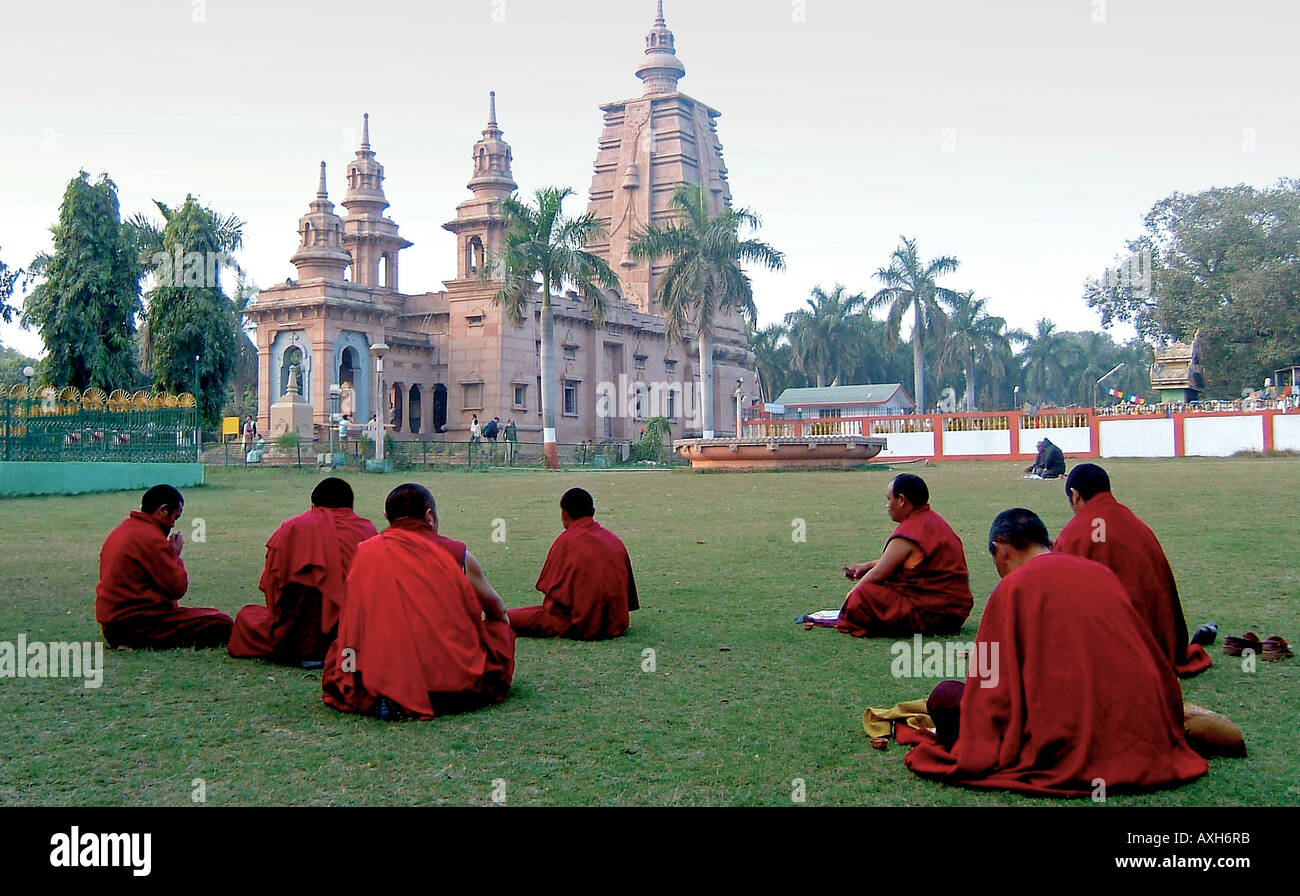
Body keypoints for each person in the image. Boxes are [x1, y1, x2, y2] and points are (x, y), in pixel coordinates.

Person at [904, 509, 1208, 797]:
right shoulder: (1100, 574)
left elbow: (990, 690)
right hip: (1145, 733)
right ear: (1048, 543)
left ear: (1001, 549)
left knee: (945, 696)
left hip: (1066, 738)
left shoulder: (1012, 589)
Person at [322, 484, 514, 719]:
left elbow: (353, 624)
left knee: (340, 652)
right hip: (450, 677)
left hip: (381, 673)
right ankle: (435, 690)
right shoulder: (457, 554)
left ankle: (388, 692)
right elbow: (498, 611)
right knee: (498, 633)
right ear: (430, 517)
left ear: (387, 518)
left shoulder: (366, 552)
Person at [1053, 463, 1211, 677]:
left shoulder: (1074, 534)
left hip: (1116, 646)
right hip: (1159, 642)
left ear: (1074, 495)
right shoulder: (1134, 523)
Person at [227, 478, 378, 665]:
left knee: (247, 616)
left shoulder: (292, 528)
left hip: (295, 638)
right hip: (351, 637)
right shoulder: (366, 531)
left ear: (313, 504)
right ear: (349, 506)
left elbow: (273, 588)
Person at [95, 485, 233, 649]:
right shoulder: (151, 538)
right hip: (138, 626)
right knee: (221, 622)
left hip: (113, 625)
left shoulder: (122, 530)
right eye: (174, 517)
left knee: (210, 614)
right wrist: (174, 554)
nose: (173, 525)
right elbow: (177, 588)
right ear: (163, 510)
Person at [836, 474, 973, 637]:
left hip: (931, 615)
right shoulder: (934, 521)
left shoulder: (909, 531)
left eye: (889, 499)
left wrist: (852, 595)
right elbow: (905, 561)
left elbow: (878, 574)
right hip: (955, 614)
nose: (887, 506)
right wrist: (866, 566)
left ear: (901, 500)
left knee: (864, 594)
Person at [510, 487, 639, 640]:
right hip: (616, 623)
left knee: (506, 618)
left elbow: (554, 598)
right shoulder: (614, 540)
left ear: (564, 514)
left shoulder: (566, 541)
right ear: (593, 511)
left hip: (579, 625)